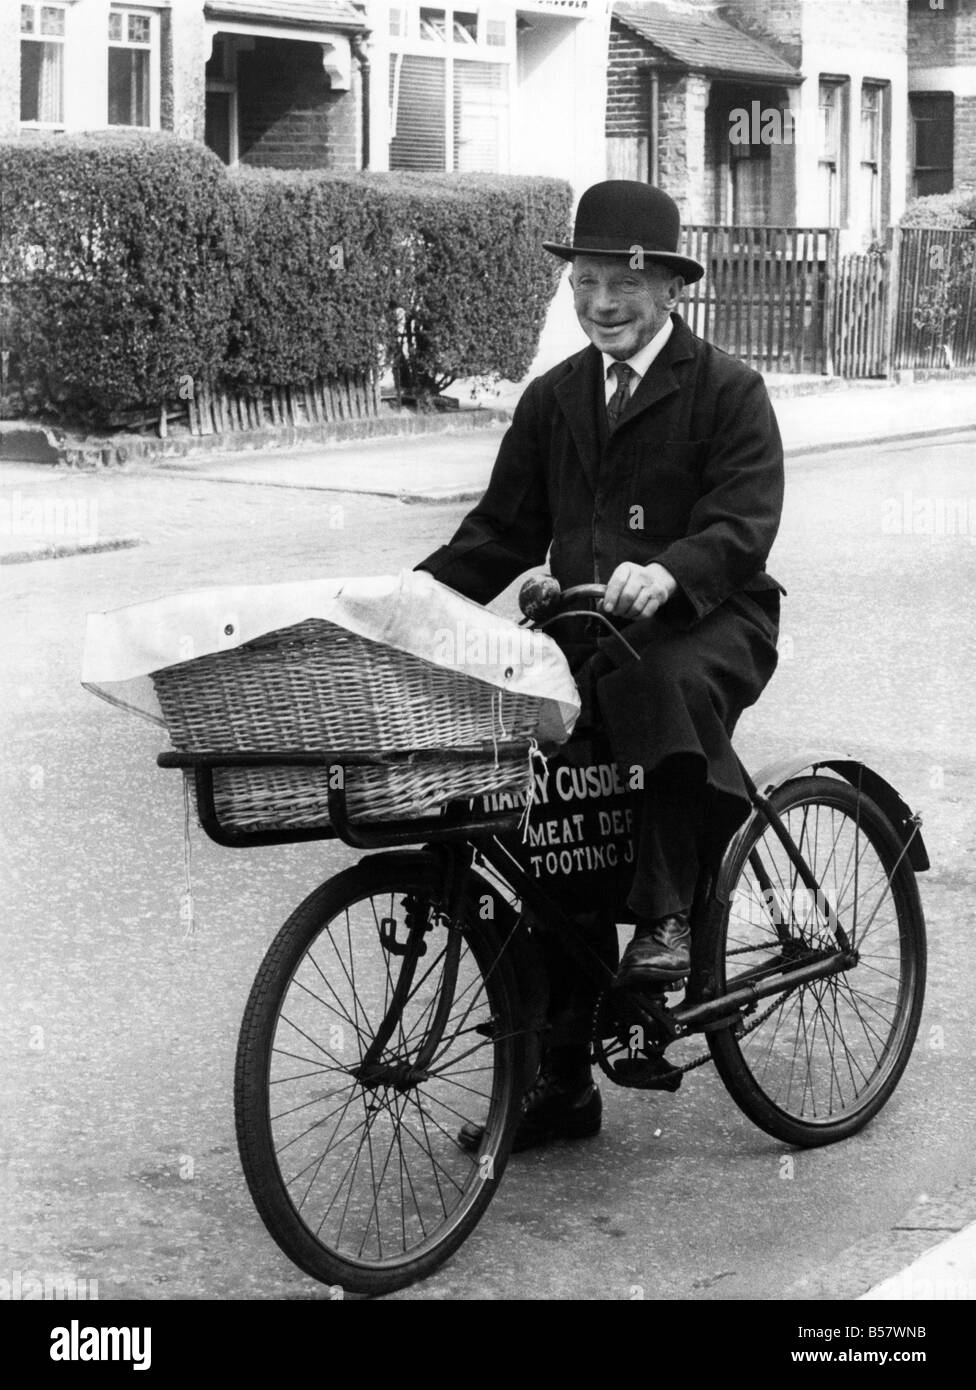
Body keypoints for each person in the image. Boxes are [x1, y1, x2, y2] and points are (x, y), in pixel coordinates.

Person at [415, 180, 785, 1150]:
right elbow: (497, 535)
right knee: (544, 830)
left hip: (712, 621)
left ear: (668, 287)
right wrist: (402, 609)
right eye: (583, 282)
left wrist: (670, 573)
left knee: (653, 682)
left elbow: (743, 523)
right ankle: (558, 1082)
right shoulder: (554, 399)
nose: (600, 302)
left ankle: (666, 914)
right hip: (589, 632)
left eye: (622, 282)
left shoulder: (726, 390)